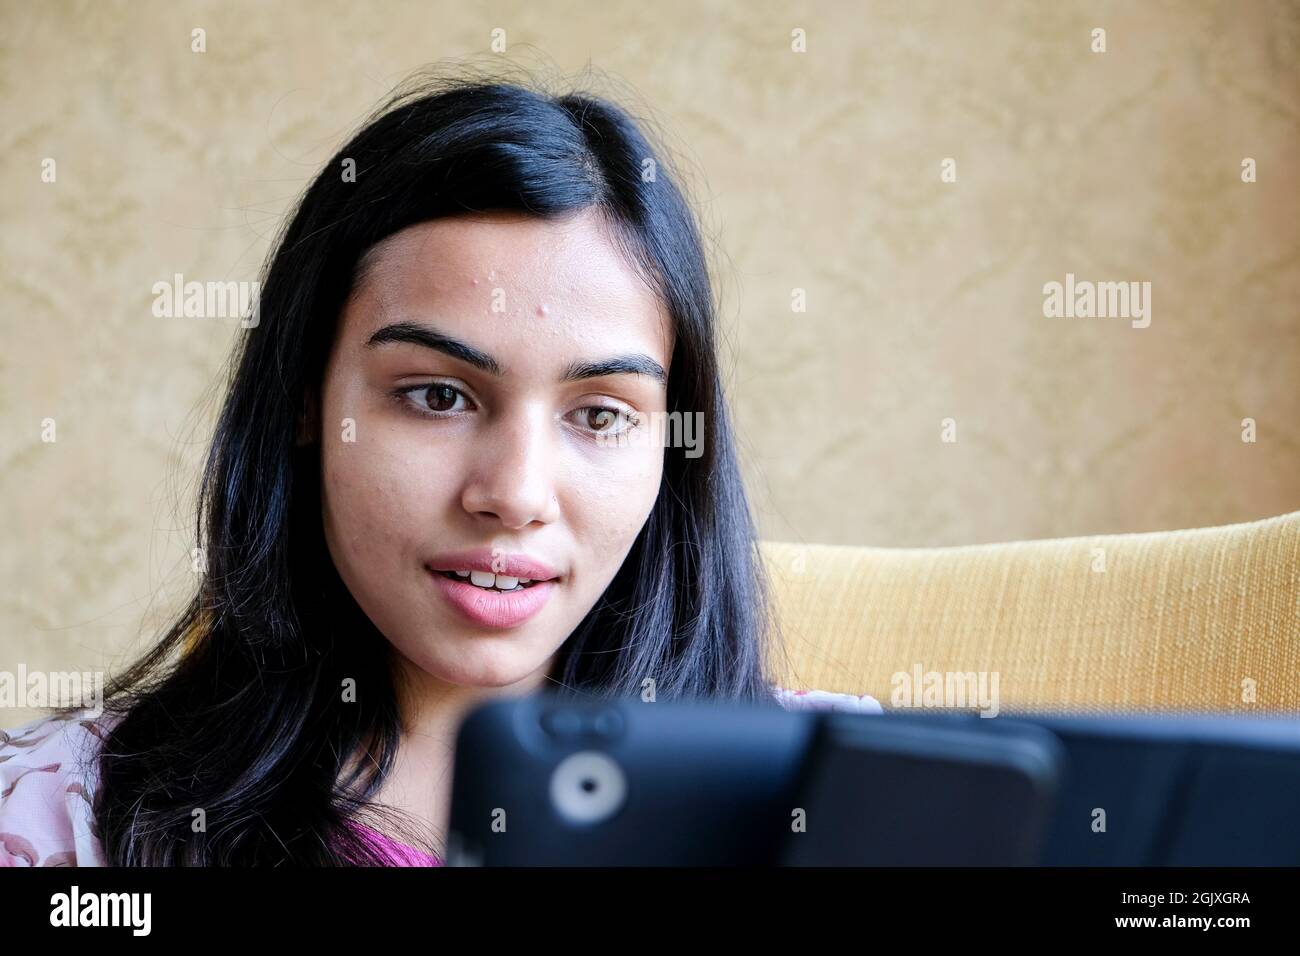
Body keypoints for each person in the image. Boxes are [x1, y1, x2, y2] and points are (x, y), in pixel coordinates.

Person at [0, 67, 880, 867]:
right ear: (306, 400)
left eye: (602, 414)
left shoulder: (861, 797)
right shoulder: (57, 819)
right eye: (437, 397)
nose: (515, 495)